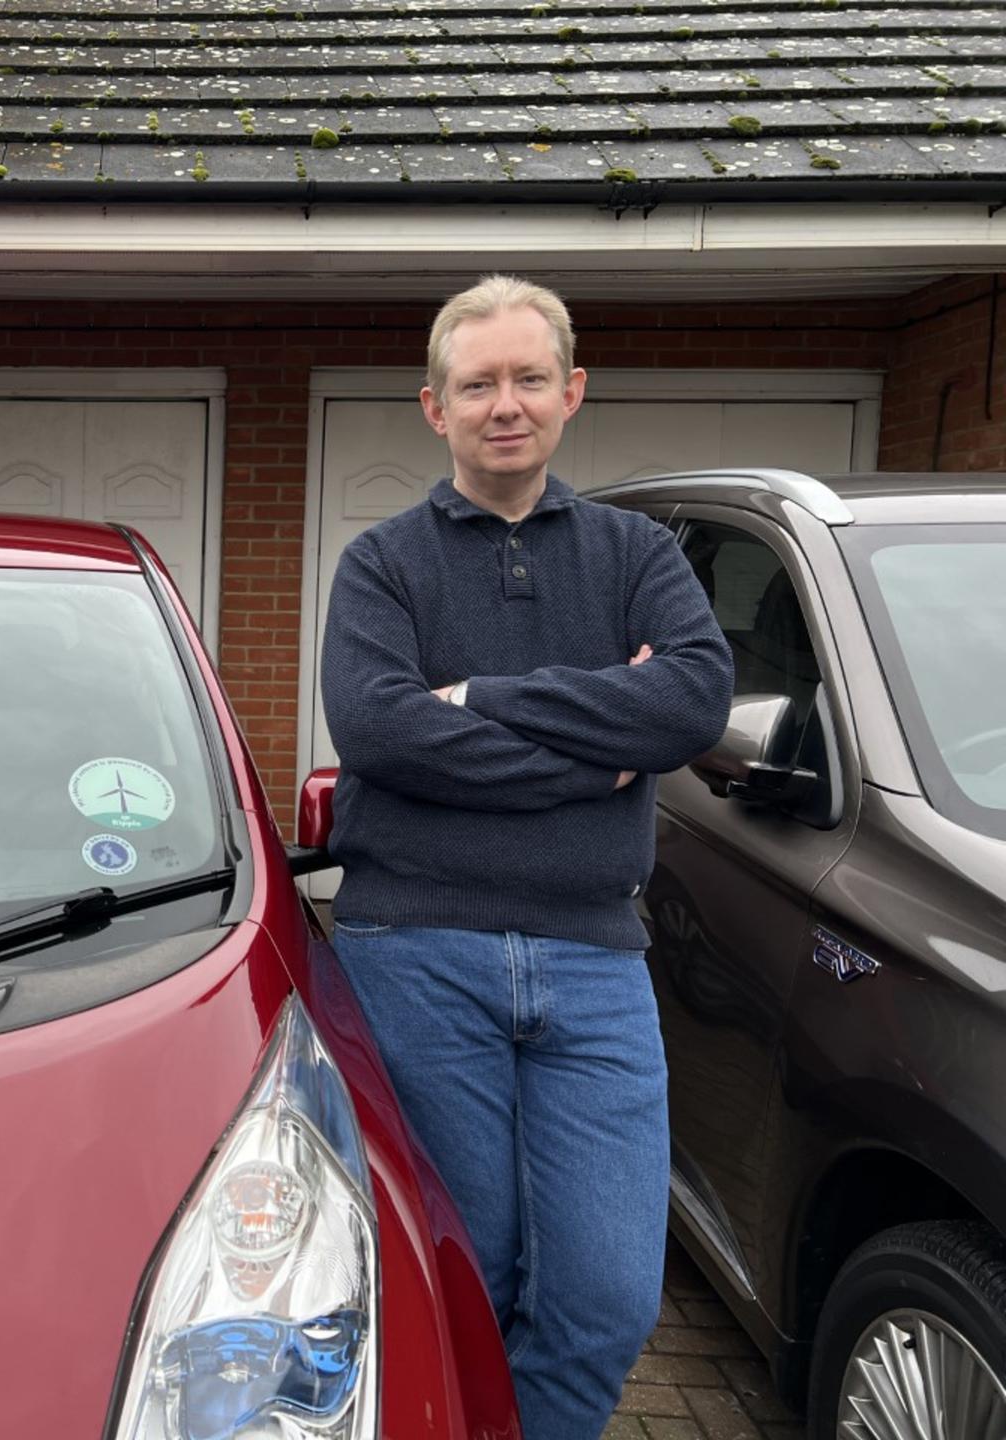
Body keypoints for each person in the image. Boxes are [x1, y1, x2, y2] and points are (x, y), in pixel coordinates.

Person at [320, 275, 734, 1440]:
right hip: (414, 951)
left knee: (605, 1298)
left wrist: (483, 702)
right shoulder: (383, 566)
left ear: (572, 392)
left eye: (529, 378)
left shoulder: (637, 555)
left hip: (597, 959)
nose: (506, 404)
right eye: (478, 384)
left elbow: (693, 700)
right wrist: (597, 754)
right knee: (471, 1272)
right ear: (433, 408)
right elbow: (383, 731)